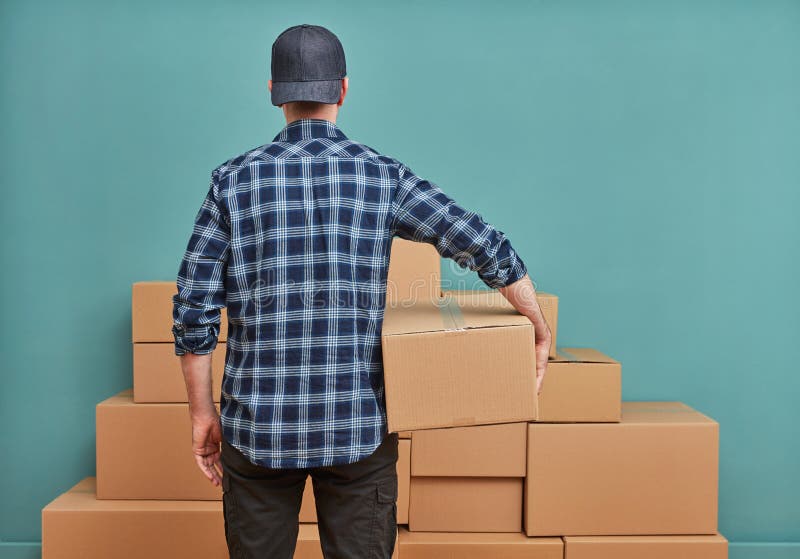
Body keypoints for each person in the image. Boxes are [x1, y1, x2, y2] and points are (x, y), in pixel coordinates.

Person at [172, 23, 551, 559]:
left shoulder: (232, 182)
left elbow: (194, 308)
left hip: (255, 428)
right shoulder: (382, 177)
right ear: (343, 90)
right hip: (357, 430)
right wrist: (536, 323)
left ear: (273, 93)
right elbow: (480, 242)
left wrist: (201, 414)